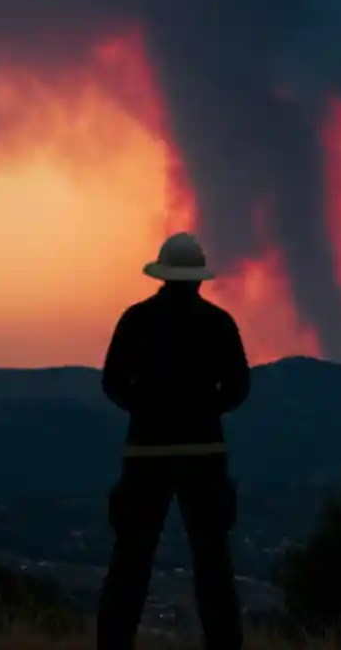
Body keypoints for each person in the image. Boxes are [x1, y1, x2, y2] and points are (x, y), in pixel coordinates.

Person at [96, 232, 251, 650]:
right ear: (199, 279)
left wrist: (145, 409)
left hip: (146, 453)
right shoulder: (219, 323)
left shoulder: (136, 319)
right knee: (213, 563)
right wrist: (206, 411)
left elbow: (111, 382)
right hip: (205, 455)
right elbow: (239, 385)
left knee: (130, 560)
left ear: (162, 275)